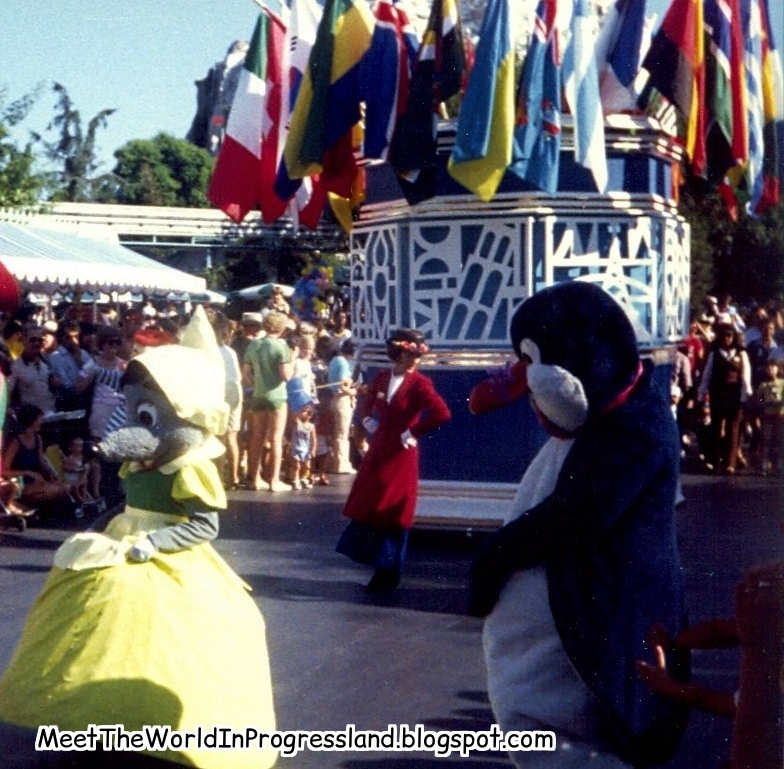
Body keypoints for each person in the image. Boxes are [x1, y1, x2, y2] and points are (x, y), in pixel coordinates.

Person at [467, 283, 689, 769]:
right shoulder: (607, 419)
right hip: (559, 667)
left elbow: (578, 515)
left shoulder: (635, 430)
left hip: (594, 646)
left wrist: (493, 560)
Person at [337, 328, 451, 593]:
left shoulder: (421, 384)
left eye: (416, 356)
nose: (413, 361)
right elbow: (366, 400)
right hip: (378, 451)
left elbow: (442, 413)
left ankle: (388, 572)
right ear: (396, 353)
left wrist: (412, 432)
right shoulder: (381, 377)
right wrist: (367, 420)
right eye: (408, 354)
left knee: (394, 512)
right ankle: (376, 565)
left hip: (401, 454)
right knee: (372, 506)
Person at [242, 311, 293, 492]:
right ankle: (274, 481)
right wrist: (292, 364)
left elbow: (246, 376)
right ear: (281, 328)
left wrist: (258, 383)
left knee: (256, 437)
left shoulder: (253, 345)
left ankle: (255, 479)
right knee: (276, 439)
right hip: (277, 396)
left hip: (258, 395)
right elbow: (286, 376)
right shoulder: (281, 347)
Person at [698, 324, 753, 473]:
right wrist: (701, 392)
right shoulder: (714, 354)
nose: (726, 339)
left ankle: (730, 463)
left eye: (729, 335)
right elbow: (707, 374)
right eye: (723, 335)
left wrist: (746, 392)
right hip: (718, 394)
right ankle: (713, 460)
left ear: (733, 337)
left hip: (734, 395)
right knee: (716, 427)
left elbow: (745, 375)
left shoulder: (741, 353)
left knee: (733, 429)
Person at [2, 404, 74, 507]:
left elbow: (41, 462)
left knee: (65, 487)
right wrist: (27, 473)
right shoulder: (16, 442)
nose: (41, 422)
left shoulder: (38, 438)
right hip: (20, 483)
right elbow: (5, 470)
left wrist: (51, 474)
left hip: (37, 480)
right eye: (39, 419)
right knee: (54, 490)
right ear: (31, 421)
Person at [7, 325, 55, 413]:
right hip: (31, 419)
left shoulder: (46, 361)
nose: (37, 343)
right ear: (24, 341)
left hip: (51, 413)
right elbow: (8, 392)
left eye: (40, 340)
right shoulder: (15, 366)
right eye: (33, 339)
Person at [328, 338, 358, 475]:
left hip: (334, 399)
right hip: (342, 399)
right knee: (342, 433)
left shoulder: (335, 360)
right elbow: (342, 383)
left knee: (337, 433)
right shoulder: (343, 362)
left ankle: (337, 462)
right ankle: (341, 464)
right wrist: (353, 391)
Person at [287, 380, 317, 490]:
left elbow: (313, 439)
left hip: (306, 449)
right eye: (304, 411)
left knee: (307, 465)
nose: (308, 414)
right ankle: (295, 479)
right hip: (296, 448)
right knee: (296, 465)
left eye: (309, 413)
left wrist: (313, 449)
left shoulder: (311, 426)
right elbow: (294, 417)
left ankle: (304, 477)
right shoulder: (297, 423)